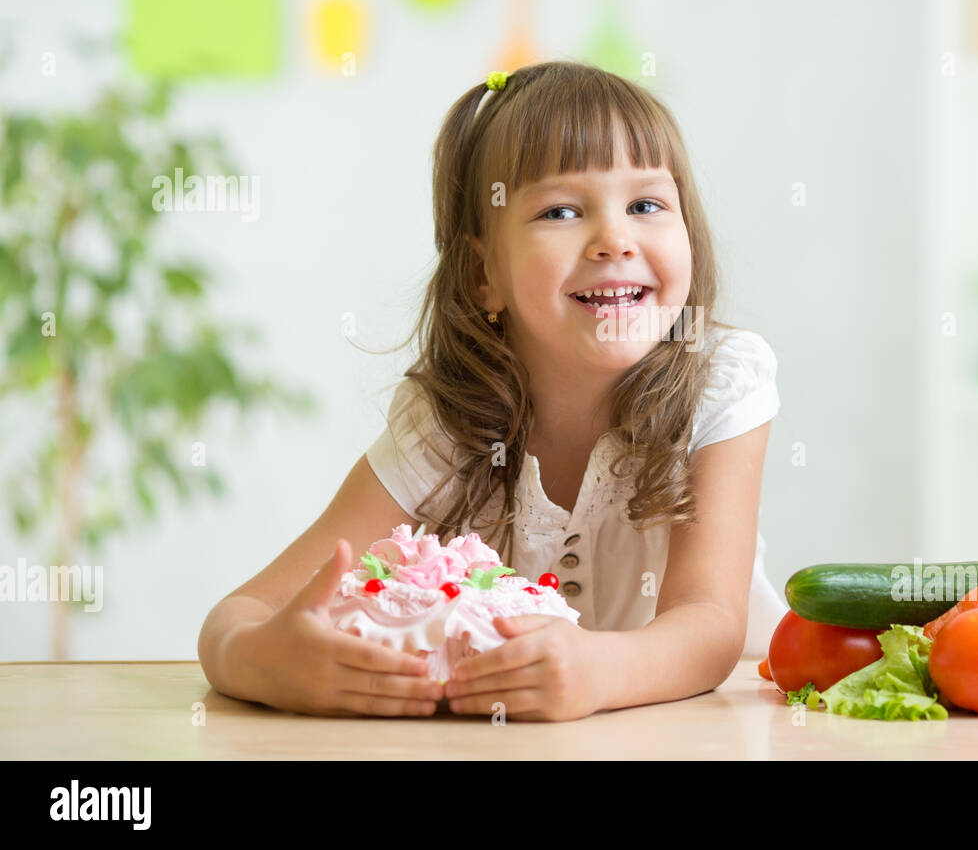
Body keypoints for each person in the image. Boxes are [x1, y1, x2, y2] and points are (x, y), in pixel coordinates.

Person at [198, 61, 784, 722]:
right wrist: (265, 664)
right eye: (561, 210)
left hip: (711, 735)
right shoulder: (448, 424)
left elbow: (708, 626)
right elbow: (238, 618)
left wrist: (596, 670)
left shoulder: (718, 385)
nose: (615, 240)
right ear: (485, 274)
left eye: (645, 204)